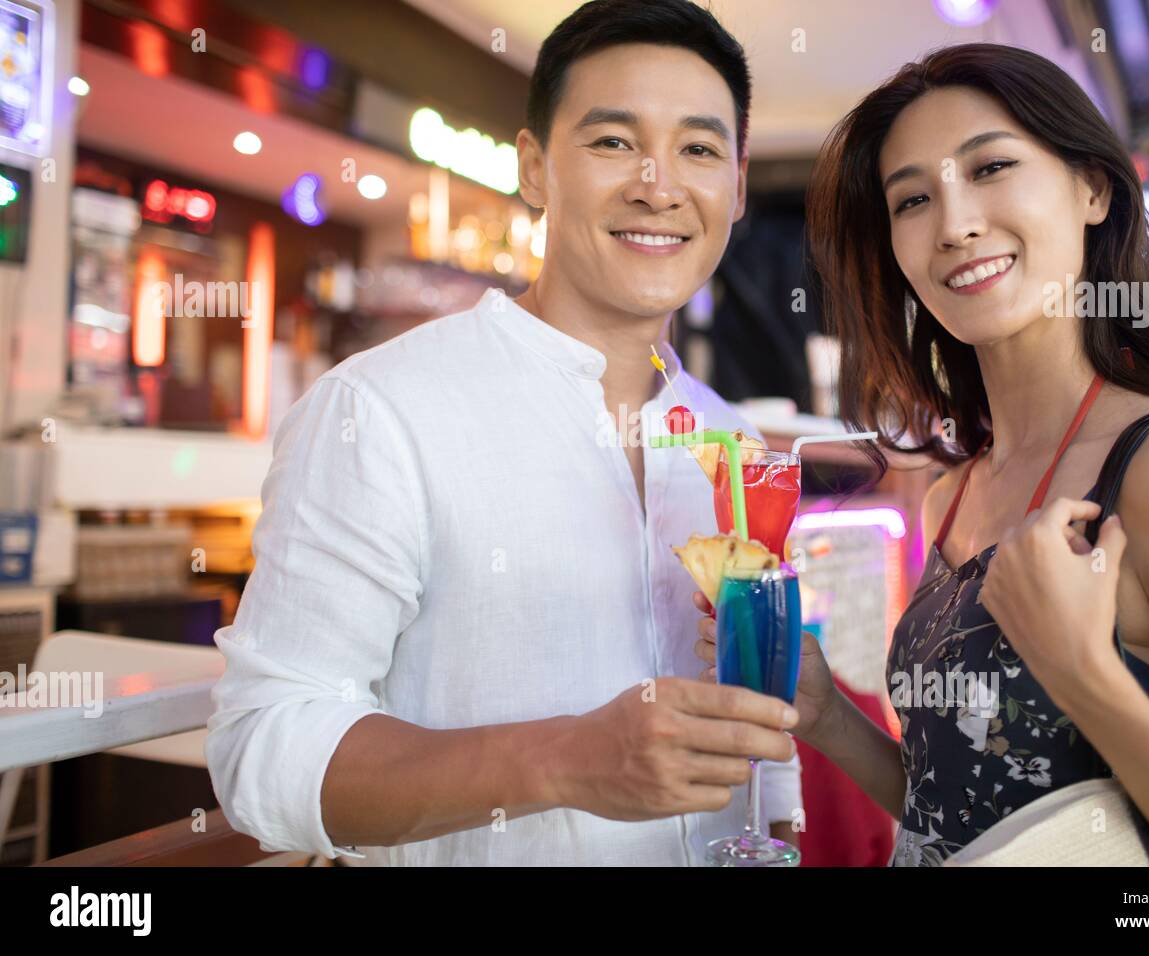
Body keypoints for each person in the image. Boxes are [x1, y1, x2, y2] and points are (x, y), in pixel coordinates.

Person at [206, 0, 801, 866]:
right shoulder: (380, 412)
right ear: (534, 168)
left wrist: (777, 820)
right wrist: (564, 759)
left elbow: (761, 740)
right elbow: (264, 746)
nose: (658, 185)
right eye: (613, 141)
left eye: (699, 151)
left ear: (737, 189)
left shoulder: (731, 439)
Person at [697, 42, 1149, 865]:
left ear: (1093, 188)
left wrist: (1085, 676)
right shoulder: (950, 497)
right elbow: (964, 815)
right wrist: (829, 715)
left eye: (991, 168)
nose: (955, 225)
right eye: (913, 199)